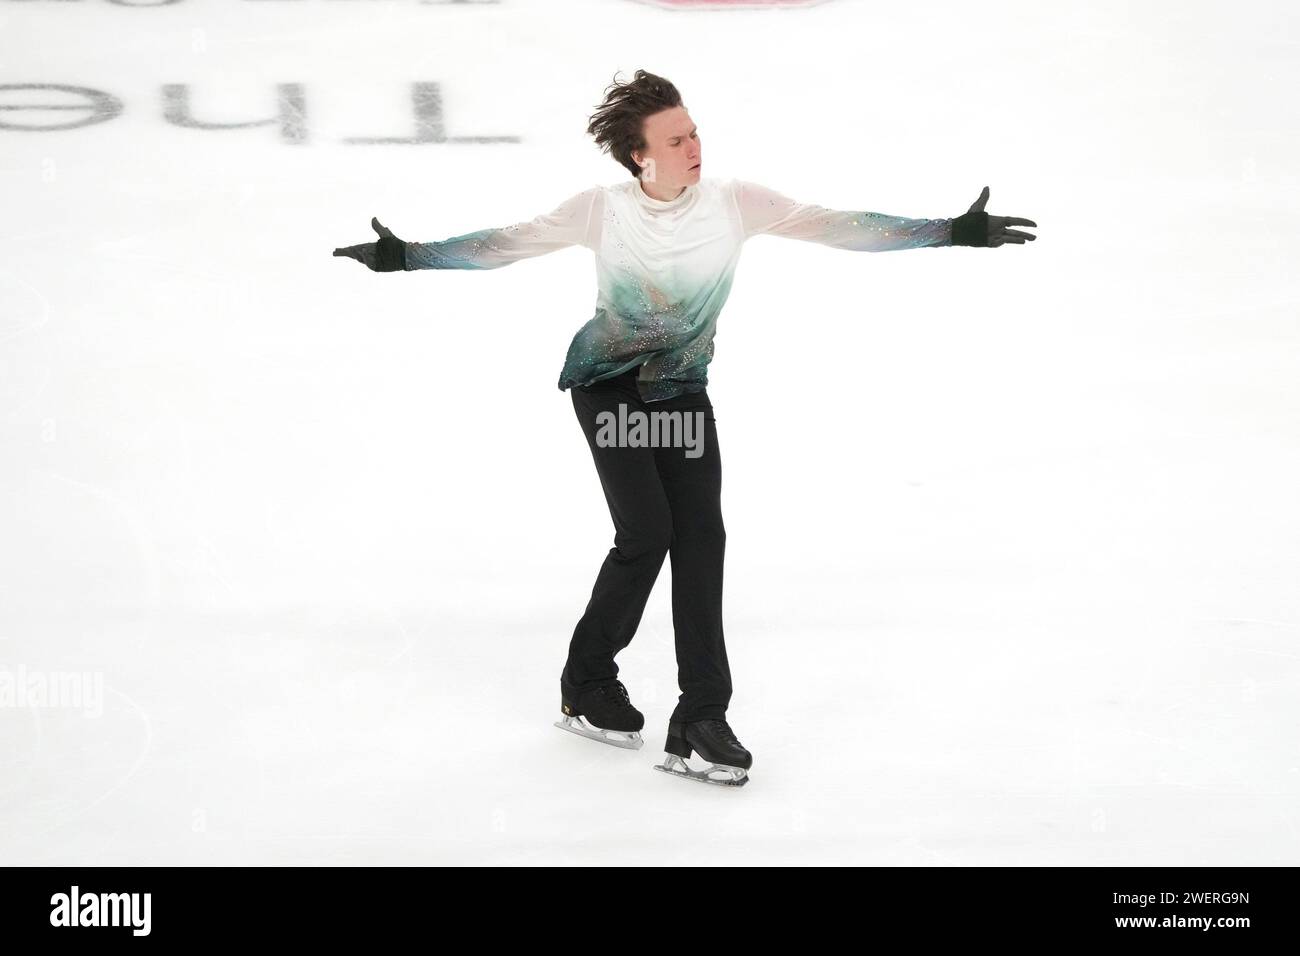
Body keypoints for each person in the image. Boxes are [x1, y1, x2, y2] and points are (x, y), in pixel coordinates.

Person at [333, 69, 1038, 787]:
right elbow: (503, 245)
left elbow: (840, 227)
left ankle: (701, 715)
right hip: (607, 390)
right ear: (641, 155)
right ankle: (586, 678)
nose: (694, 146)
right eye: (677, 138)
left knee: (701, 537)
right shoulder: (600, 211)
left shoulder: (736, 204)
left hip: (680, 396)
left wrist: (950, 232)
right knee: (648, 534)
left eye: (695, 131)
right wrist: (406, 255)